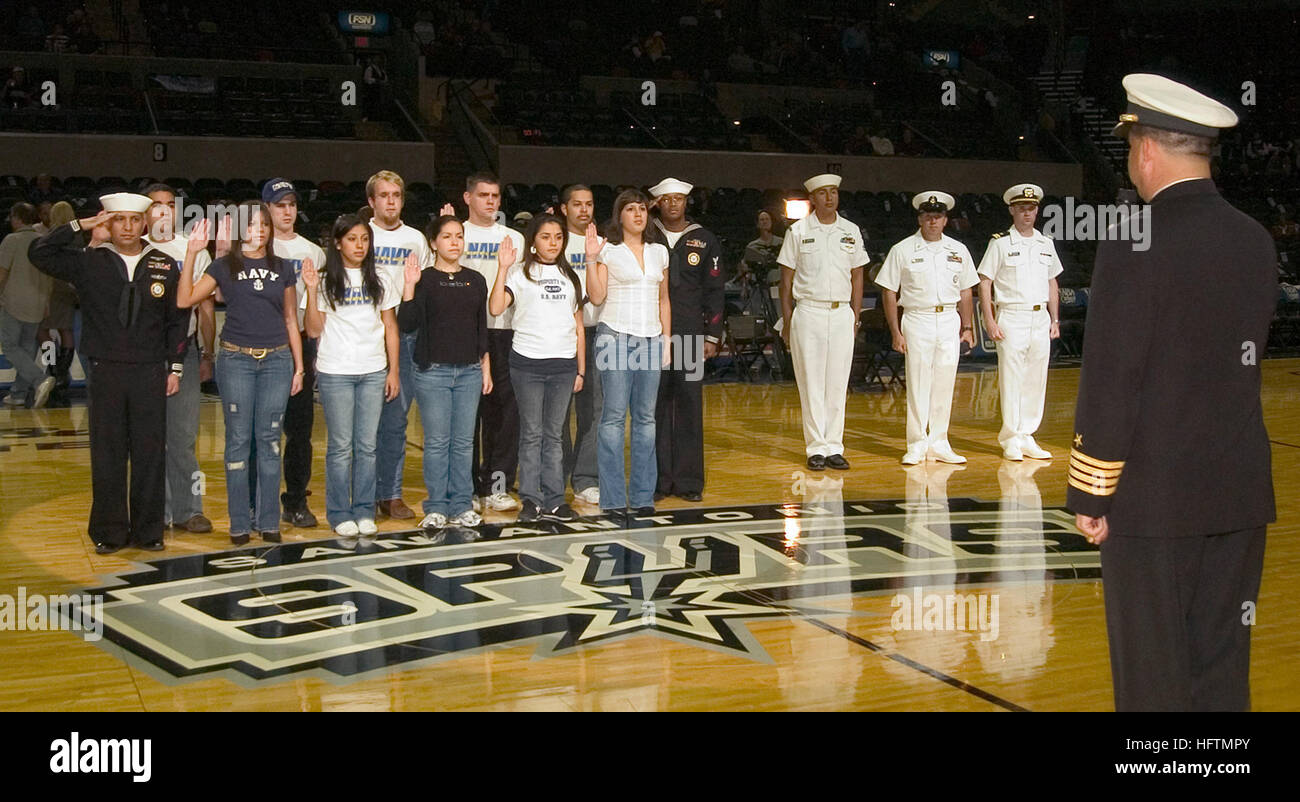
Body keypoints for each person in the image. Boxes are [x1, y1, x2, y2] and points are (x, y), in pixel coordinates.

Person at [1069, 74, 1275, 711]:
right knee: (1220, 672)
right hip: (1238, 494)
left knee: (1153, 680)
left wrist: (1092, 491)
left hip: (1154, 501)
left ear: (1146, 151)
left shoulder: (1136, 237)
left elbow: (1113, 376)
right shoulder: (1256, 240)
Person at [28, 193, 189, 553]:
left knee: (150, 453)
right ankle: (109, 532)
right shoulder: (89, 262)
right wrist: (80, 225)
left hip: (150, 371)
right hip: (106, 371)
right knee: (108, 453)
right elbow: (39, 253)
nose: (128, 227)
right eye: (120, 220)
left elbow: (177, 321)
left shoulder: (164, 263)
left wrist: (174, 367)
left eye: (135, 220)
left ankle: (149, 532)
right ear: (108, 223)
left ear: (144, 224)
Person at [178, 205, 304, 545]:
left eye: (264, 224)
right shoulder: (223, 266)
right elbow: (185, 298)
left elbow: (292, 319)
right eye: (252, 225)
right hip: (236, 359)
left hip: (277, 360)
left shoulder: (283, 268)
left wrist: (300, 366)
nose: (259, 230)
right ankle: (239, 523)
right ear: (238, 230)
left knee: (269, 441)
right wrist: (192, 254)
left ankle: (268, 521)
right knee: (237, 442)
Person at [301, 214, 401, 543]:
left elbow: (390, 327)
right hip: (336, 372)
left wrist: (393, 370)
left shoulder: (381, 277)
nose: (359, 245)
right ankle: (339, 512)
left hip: (373, 370)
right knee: (341, 447)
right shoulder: (327, 278)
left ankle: (363, 510)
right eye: (352, 239)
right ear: (338, 243)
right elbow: (313, 330)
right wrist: (313, 290)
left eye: (364, 239)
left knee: (367, 447)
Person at [489, 212, 585, 521]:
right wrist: (503, 267)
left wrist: (580, 369)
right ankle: (531, 499)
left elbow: (579, 326)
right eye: (546, 236)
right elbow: (495, 307)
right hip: (527, 365)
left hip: (564, 365)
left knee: (554, 435)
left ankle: (555, 499)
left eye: (558, 237)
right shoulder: (518, 273)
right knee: (531, 434)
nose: (553, 242)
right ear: (533, 241)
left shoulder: (571, 277)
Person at [400, 215, 491, 530]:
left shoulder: (476, 280)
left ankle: (462, 505)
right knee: (438, 442)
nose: (455, 242)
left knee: (464, 442)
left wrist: (486, 369)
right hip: (433, 372)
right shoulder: (424, 279)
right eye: (448, 236)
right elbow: (407, 324)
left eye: (459, 236)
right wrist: (409, 287)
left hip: (469, 371)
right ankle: (437, 506)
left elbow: (482, 330)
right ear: (434, 242)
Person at [585, 189, 671, 517]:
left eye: (641, 209)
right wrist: (592, 259)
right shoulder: (610, 251)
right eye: (630, 209)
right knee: (613, 417)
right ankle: (612, 498)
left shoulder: (659, 252)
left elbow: (664, 299)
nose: (638, 214)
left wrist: (667, 338)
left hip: (651, 339)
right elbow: (595, 297)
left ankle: (642, 496)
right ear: (619, 215)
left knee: (646, 418)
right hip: (615, 337)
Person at [876, 191, 978, 465]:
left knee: (945, 383)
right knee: (918, 382)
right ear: (920, 219)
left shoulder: (958, 250)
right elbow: (888, 291)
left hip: (948, 318)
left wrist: (967, 327)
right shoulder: (903, 249)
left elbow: (967, 291)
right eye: (928, 216)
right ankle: (917, 443)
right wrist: (896, 331)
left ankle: (940, 441)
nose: (933, 221)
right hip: (917, 318)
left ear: (946, 220)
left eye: (938, 216)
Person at [777, 174, 868, 471]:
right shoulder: (798, 231)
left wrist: (855, 316)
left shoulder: (851, 230)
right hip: (809, 311)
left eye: (833, 192)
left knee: (838, 382)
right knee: (811, 382)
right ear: (812, 199)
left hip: (841, 312)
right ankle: (816, 446)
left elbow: (857, 275)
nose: (829, 198)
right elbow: (786, 281)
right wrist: (788, 321)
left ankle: (834, 446)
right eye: (823, 193)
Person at [141, 184, 215, 534]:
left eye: (171, 205)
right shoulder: (130, 247)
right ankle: (154, 511)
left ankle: (189, 510)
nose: (165, 211)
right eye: (156, 206)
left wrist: (207, 352)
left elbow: (205, 307)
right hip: (140, 356)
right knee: (145, 438)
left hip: (184, 353)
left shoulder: (194, 247)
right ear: (145, 212)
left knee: (183, 437)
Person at [649, 177, 725, 502]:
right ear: (657, 203)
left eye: (679, 199)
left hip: (692, 336)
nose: (673, 205)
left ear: (686, 202)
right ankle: (658, 481)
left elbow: (715, 291)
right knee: (655, 408)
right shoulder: (645, 237)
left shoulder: (705, 239)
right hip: (651, 336)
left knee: (690, 406)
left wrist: (713, 335)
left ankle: (689, 482)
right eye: (667, 199)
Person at [368, 170, 435, 521]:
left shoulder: (416, 240)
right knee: (361, 425)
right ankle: (363, 493)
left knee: (395, 422)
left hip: (405, 337)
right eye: (384, 195)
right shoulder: (360, 236)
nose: (391, 201)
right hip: (364, 336)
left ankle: (390, 494)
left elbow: (423, 290)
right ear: (371, 201)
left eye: (396, 195)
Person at [977, 183, 1062, 461]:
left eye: (1032, 208)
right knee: (1012, 378)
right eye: (1022, 208)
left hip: (1040, 317)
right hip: (1011, 315)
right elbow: (985, 281)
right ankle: (1011, 436)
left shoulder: (1045, 243)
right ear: (1012, 210)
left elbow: (1052, 282)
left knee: (1036, 379)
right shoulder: (1000, 243)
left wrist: (1055, 318)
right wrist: (989, 320)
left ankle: (1027, 435)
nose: (1028, 213)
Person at [459, 172, 525, 513]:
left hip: (505, 331)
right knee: (468, 417)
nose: (490, 201)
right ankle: (467, 486)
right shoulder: (456, 234)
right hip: (465, 333)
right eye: (483, 195)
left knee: (505, 415)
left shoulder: (514, 237)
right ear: (467, 198)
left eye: (495, 196)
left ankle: (497, 486)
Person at [264, 178, 327, 529]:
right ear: (267, 210)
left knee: (299, 431)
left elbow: (316, 307)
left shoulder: (313, 252)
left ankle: (296, 500)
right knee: (263, 431)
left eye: (291, 204)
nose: (287, 211)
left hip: (300, 343)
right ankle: (262, 501)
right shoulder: (255, 248)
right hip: (263, 344)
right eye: (279, 205)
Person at [558, 184, 603, 507]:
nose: (583, 210)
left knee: (595, 412)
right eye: (577, 204)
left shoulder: (604, 243)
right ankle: (556, 477)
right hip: (559, 336)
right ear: (564, 209)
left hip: (597, 333)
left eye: (588, 204)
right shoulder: (553, 241)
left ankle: (586, 479)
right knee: (558, 413)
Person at [1, 202, 55, 408]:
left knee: (10, 346)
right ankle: (18, 393)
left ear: (16, 218)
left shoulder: (11, 240)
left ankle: (39, 379)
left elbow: (2, 272)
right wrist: (47, 301)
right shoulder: (43, 241)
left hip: (13, 301)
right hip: (38, 302)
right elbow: (50, 274)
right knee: (27, 347)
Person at [41, 201, 80, 404]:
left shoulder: (54, 236)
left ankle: (53, 369)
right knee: (66, 330)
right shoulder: (77, 236)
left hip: (53, 285)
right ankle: (62, 374)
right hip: (71, 287)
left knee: (43, 330)